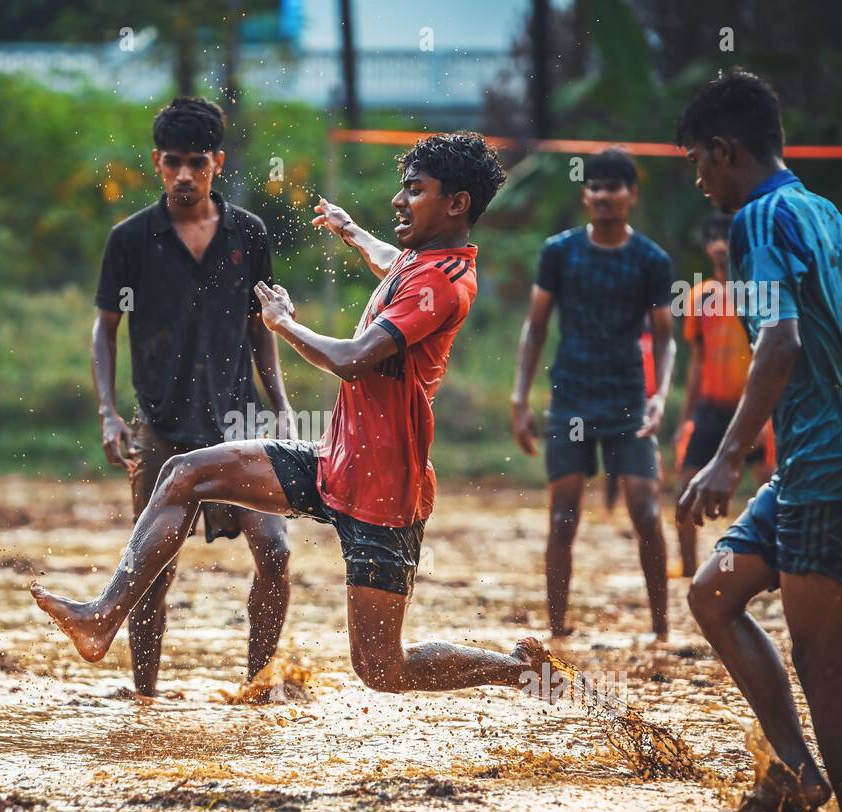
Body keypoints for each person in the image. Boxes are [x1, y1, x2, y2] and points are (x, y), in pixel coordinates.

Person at [32, 132, 555, 695]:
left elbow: (352, 361)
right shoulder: (419, 261)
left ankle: (517, 669)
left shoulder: (442, 285)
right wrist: (350, 230)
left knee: (383, 670)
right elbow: (390, 261)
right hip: (335, 460)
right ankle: (102, 617)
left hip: (386, 489)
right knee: (184, 473)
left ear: (456, 204)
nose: (399, 202)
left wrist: (282, 324)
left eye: (414, 191)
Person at [676, 71, 842, 812]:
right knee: (713, 593)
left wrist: (727, 456)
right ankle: (796, 773)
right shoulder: (827, 215)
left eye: (699, 164)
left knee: (823, 663)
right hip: (833, 461)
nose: (702, 181)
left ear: (724, 148)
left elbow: (779, 340)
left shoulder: (757, 219)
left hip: (832, 467)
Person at [90, 96, 293, 696]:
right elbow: (105, 329)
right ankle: (145, 697)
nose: (185, 174)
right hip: (160, 424)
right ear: (156, 162)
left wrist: (281, 407)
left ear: (218, 164)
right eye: (173, 161)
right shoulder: (130, 240)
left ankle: (256, 687)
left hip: (240, 424)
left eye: (197, 163)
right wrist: (108, 413)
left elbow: (263, 328)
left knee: (275, 552)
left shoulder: (248, 234)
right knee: (151, 571)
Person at [510, 148, 675, 641]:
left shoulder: (651, 260)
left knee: (645, 509)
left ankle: (662, 630)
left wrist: (659, 395)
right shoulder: (559, 253)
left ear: (631, 195)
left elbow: (665, 338)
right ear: (586, 195)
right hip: (571, 397)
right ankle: (558, 631)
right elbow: (535, 329)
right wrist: (520, 398)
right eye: (596, 187)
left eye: (614, 187)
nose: (604, 195)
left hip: (629, 398)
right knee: (563, 517)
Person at [674, 212, 774, 577]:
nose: (719, 246)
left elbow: (771, 358)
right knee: (685, 486)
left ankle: (771, 564)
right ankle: (686, 570)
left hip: (752, 409)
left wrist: (766, 415)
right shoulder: (699, 298)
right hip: (710, 410)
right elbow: (697, 363)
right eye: (713, 238)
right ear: (706, 247)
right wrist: (686, 418)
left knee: (768, 486)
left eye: (726, 238)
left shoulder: (758, 295)